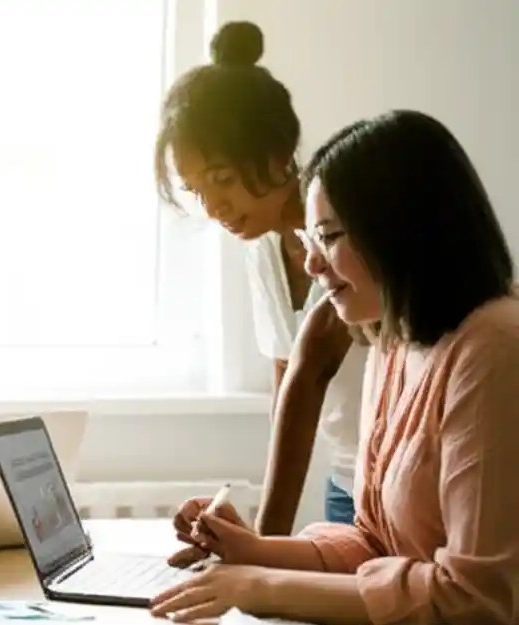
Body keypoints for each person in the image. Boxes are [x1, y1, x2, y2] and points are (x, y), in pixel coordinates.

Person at [150, 110, 519, 625]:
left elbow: (477, 598)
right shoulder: (392, 339)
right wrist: (252, 549)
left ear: (401, 228)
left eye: (328, 237)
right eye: (309, 239)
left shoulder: (495, 346)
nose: (312, 262)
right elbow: (375, 542)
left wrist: (265, 585)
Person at [155, 21, 367, 550]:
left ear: (278, 155)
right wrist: (252, 534)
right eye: (197, 190)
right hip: (345, 482)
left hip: (402, 487)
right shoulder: (263, 249)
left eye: (223, 180)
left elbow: (311, 374)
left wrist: (263, 545)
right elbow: (286, 383)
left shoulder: (351, 224)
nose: (214, 207)